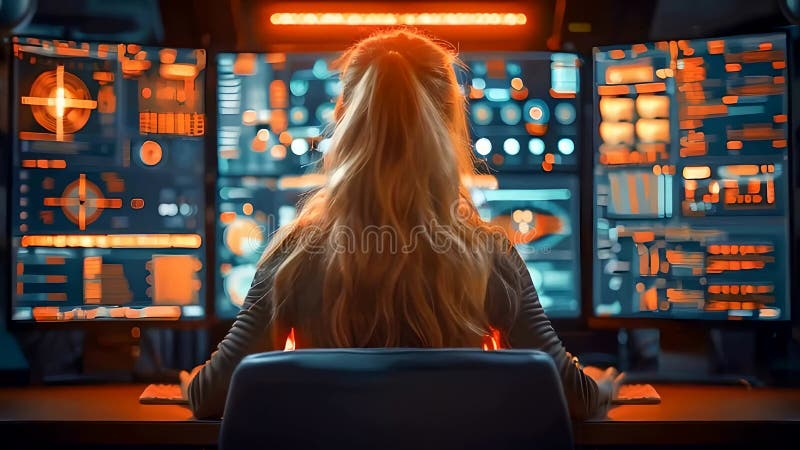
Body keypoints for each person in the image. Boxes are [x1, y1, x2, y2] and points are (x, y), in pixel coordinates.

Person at [183, 29, 623, 419]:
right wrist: (603, 386)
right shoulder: (488, 257)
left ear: (343, 119)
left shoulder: (295, 257)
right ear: (450, 121)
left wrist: (189, 381)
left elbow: (210, 398)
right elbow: (577, 401)